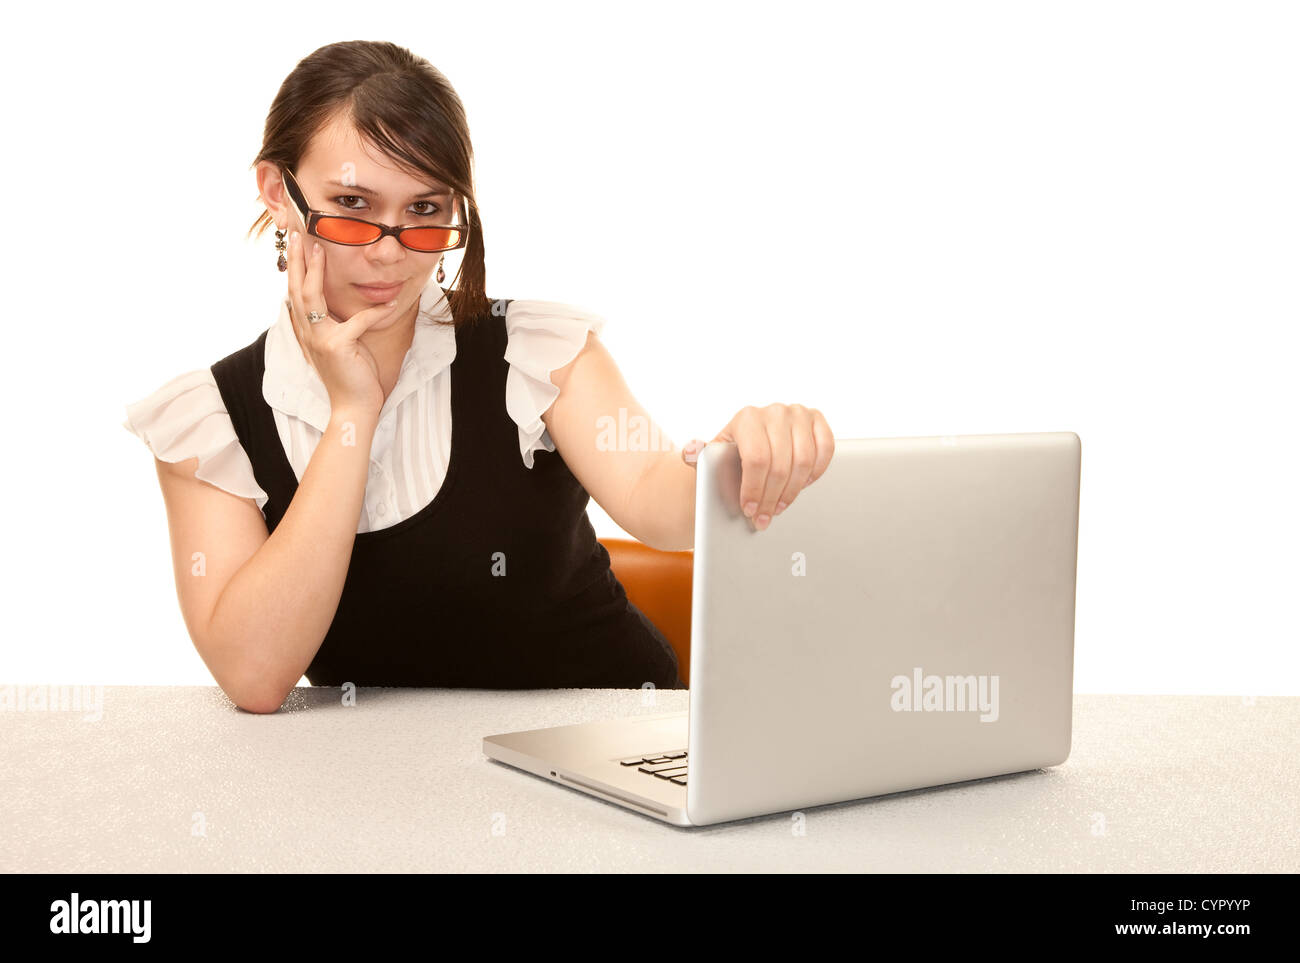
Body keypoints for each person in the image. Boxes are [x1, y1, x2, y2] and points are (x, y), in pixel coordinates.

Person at [121, 40, 835, 713]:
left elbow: (657, 498)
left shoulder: (534, 350)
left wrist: (742, 458)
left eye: (425, 212)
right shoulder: (210, 422)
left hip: (616, 746)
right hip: (396, 793)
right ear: (277, 192)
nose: (390, 254)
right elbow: (255, 672)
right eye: (353, 207)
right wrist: (351, 412)